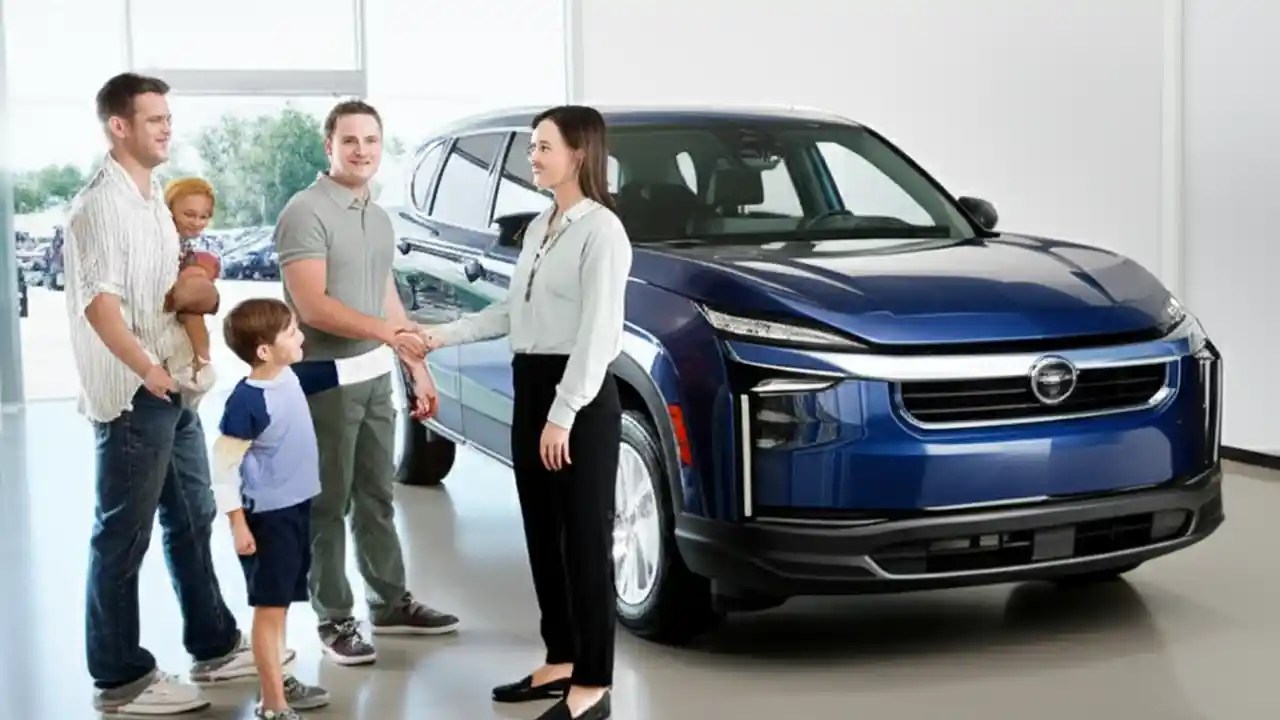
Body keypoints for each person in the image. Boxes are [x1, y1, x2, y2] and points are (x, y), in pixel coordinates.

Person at [65, 72, 267, 716]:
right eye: (153, 119)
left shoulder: (152, 196)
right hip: (134, 393)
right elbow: (100, 307)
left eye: (167, 118)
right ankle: (120, 679)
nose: (166, 128)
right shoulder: (100, 206)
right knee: (122, 535)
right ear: (118, 126)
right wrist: (149, 369)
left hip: (173, 389)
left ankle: (214, 646)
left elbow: (172, 290)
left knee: (192, 515)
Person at [421, 105, 632, 720]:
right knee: (543, 533)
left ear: (579, 154)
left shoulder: (602, 232)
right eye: (532, 147)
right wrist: (439, 336)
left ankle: (593, 685)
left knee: (585, 540)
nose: (532, 157)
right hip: (531, 382)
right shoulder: (542, 224)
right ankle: (561, 658)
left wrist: (563, 414)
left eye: (543, 147)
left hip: (579, 396)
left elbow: (599, 334)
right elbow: (514, 313)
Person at [274, 98, 458, 666]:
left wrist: (416, 365)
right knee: (327, 502)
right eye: (349, 140)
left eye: (371, 140)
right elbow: (312, 305)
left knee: (377, 495)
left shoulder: (377, 216)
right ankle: (333, 617)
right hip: (324, 379)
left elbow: (384, 294)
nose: (362, 151)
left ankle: (389, 601)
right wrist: (385, 332)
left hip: (376, 376)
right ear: (328, 146)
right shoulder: (305, 212)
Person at [212, 298, 352, 719]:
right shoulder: (246, 403)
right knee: (269, 611)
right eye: (292, 332)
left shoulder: (289, 378)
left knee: (281, 606)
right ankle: (272, 703)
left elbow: (346, 370)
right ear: (264, 350)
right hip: (267, 520)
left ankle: (280, 684)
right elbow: (222, 468)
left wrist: (401, 344)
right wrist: (238, 525)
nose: (301, 336)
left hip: (295, 510)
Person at [162, 177, 220, 403]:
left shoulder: (184, 244)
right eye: (189, 214)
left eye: (204, 216)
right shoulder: (163, 245)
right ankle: (203, 362)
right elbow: (191, 306)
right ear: (169, 210)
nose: (197, 222)